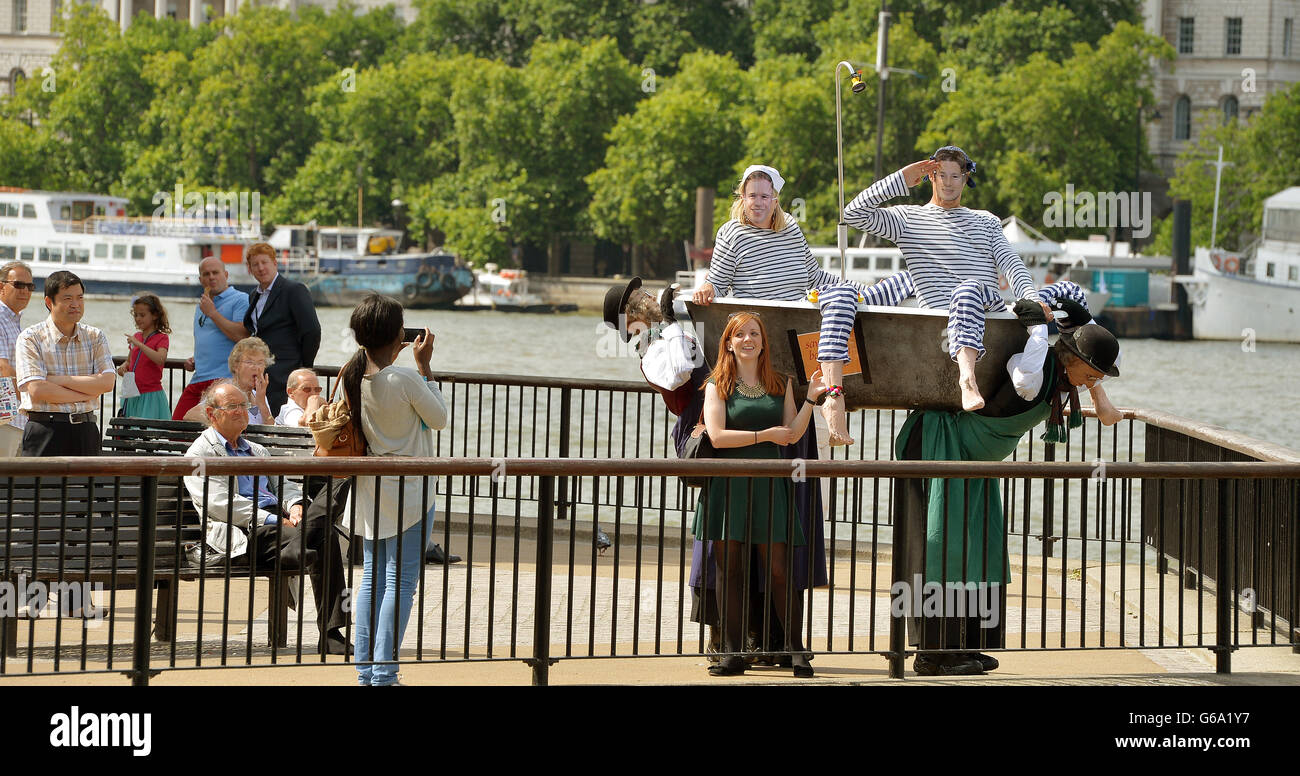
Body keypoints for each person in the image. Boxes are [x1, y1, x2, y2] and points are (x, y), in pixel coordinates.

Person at [894, 300, 1123, 677]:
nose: (1095, 379)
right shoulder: (1035, 370)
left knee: (982, 546)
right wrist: (1040, 323)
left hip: (973, 462)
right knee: (942, 547)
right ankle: (933, 653)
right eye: (1093, 371)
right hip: (942, 444)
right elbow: (1029, 341)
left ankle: (966, 643)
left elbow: (1107, 411)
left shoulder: (1067, 377)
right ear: (1070, 359)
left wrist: (1082, 329)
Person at [843, 145, 1058, 412]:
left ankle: (969, 379)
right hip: (936, 319)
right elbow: (852, 213)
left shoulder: (986, 221)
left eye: (955, 175)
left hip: (984, 308)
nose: (948, 182)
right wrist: (900, 179)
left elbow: (1011, 264)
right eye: (941, 174)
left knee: (970, 290)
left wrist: (1032, 299)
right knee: (914, 286)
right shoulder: (908, 219)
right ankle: (965, 379)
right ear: (930, 176)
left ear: (966, 178)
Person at [693, 164, 874, 447]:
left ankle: (832, 407)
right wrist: (706, 287)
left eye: (765, 196)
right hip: (758, 332)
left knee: (853, 298)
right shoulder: (731, 232)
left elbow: (814, 277)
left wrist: (856, 288)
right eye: (752, 195)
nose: (758, 202)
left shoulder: (791, 229)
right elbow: (717, 279)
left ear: (775, 199)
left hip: (795, 330)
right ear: (742, 197)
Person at [693, 311, 827, 678]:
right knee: (730, 571)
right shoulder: (716, 385)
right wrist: (765, 435)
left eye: (755, 333)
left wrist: (811, 401)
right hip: (728, 485)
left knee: (780, 571)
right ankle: (732, 654)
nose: (748, 340)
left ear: (764, 342)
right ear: (729, 343)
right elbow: (717, 437)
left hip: (770, 485)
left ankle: (796, 650)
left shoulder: (780, 382)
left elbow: (793, 434)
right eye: (740, 335)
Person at [182, 380, 350, 655]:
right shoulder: (200, 453)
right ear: (212, 414)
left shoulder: (256, 450)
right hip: (245, 532)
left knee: (326, 525)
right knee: (324, 534)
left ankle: (296, 549)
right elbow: (220, 504)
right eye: (233, 406)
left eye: (245, 406)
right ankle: (331, 634)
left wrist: (295, 506)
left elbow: (288, 487)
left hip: (282, 527)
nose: (241, 411)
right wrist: (274, 520)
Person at [341, 293, 449, 686]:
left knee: (371, 579)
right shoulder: (401, 378)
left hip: (372, 485)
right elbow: (438, 419)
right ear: (396, 334)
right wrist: (426, 368)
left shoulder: (354, 376)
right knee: (400, 583)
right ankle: (385, 673)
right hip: (410, 489)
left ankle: (367, 671)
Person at [14, 271, 116, 457]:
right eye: (67, 298)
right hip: (45, 430)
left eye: (80, 298)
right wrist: (88, 392)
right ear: (48, 302)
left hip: (86, 430)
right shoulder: (31, 338)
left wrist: (56, 380)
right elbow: (38, 390)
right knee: (41, 486)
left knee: (87, 486)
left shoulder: (95, 337)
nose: (75, 304)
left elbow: (107, 383)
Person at [242, 242, 321, 413]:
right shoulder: (253, 296)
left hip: (287, 375)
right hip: (262, 378)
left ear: (275, 264)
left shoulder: (294, 290)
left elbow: (312, 331)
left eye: (265, 262)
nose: (261, 268)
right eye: (255, 264)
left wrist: (303, 368)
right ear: (250, 269)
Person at [173, 256, 251, 420]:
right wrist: (197, 358)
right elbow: (209, 339)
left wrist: (213, 313)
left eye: (216, 272)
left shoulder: (240, 299)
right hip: (199, 378)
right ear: (201, 279)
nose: (211, 277)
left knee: (218, 430)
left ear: (226, 274)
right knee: (177, 428)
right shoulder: (202, 305)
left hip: (225, 379)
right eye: (206, 274)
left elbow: (242, 336)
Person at [181, 337, 273, 425]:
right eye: (249, 362)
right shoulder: (225, 392)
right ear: (236, 366)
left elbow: (272, 434)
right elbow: (190, 415)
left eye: (260, 363)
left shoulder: (260, 395)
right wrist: (227, 423)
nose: (256, 367)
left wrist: (261, 403)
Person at [116, 293, 171, 419]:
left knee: (149, 433)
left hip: (151, 395)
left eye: (142, 315)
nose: (138, 318)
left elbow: (160, 359)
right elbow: (129, 362)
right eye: (136, 315)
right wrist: (123, 368)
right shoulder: (137, 337)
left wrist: (139, 344)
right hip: (133, 394)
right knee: (131, 432)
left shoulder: (162, 337)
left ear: (155, 315)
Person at [0, 261, 34, 457]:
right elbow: (3, 368)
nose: (25, 291)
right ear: (1, 286)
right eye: (19, 285)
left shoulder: (13, 321)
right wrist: (30, 405)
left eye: (30, 286)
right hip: (6, 418)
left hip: (15, 420)